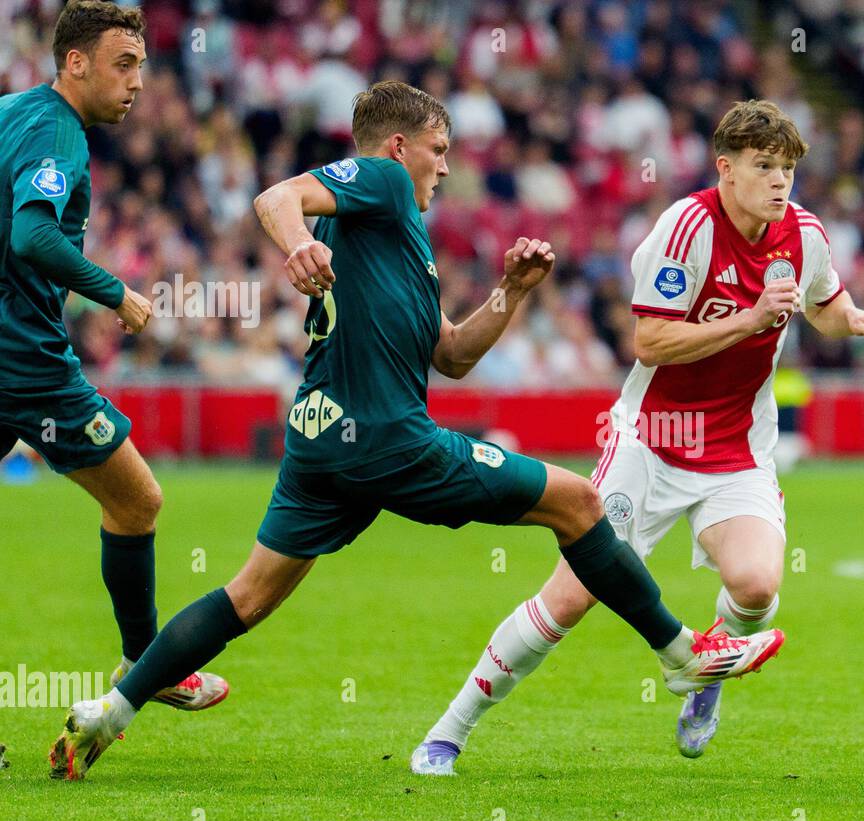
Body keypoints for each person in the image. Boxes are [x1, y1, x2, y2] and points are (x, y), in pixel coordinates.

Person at [49, 82, 784, 781]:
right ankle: (680, 651)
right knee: (579, 505)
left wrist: (512, 294)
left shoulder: (397, 239)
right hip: (385, 439)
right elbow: (277, 197)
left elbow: (454, 354)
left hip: (318, 440)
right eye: (439, 148)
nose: (447, 165)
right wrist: (296, 243)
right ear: (397, 147)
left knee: (247, 597)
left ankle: (110, 712)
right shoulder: (385, 184)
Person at [417, 100, 864, 775]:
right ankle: (449, 731)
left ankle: (705, 684)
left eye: (787, 168)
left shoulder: (806, 234)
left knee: (757, 586)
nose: (780, 181)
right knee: (570, 598)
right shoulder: (686, 228)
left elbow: (826, 306)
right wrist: (751, 318)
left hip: (738, 450)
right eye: (764, 166)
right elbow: (651, 341)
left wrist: (859, 319)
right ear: (725, 169)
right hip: (650, 444)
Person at [1, 1, 226, 715]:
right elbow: (33, 238)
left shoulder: (10, 112)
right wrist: (115, 292)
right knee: (137, 500)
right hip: (25, 361)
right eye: (123, 64)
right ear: (75, 62)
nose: (136, 82)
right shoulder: (59, 132)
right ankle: (146, 664)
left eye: (143, 67)